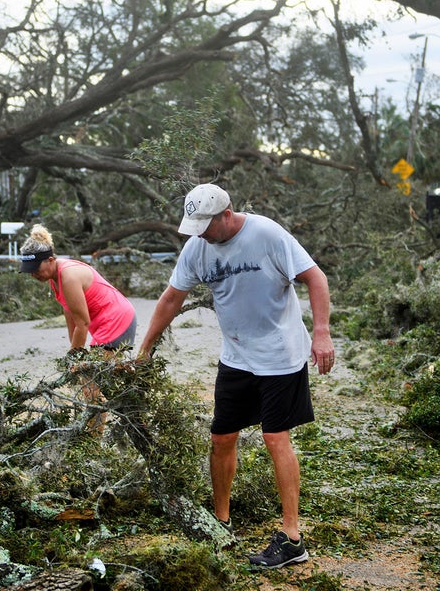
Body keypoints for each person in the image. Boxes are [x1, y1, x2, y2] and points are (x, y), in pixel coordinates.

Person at [137, 183, 334, 570]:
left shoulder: (267, 234)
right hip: (236, 356)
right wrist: (143, 350)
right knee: (221, 436)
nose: (199, 235)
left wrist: (323, 332)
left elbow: (316, 278)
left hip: (280, 355)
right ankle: (221, 521)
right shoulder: (197, 247)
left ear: (226, 215)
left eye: (204, 226)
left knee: (275, 437)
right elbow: (170, 299)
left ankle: (292, 539)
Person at [19, 225, 137, 423]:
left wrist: (74, 359)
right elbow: (70, 315)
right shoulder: (54, 277)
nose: (33, 274)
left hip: (116, 321)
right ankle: (128, 392)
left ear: (50, 260)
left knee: (90, 385)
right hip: (107, 323)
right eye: (29, 270)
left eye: (35, 269)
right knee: (98, 381)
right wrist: (73, 352)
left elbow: (82, 324)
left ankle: (93, 440)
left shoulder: (69, 276)